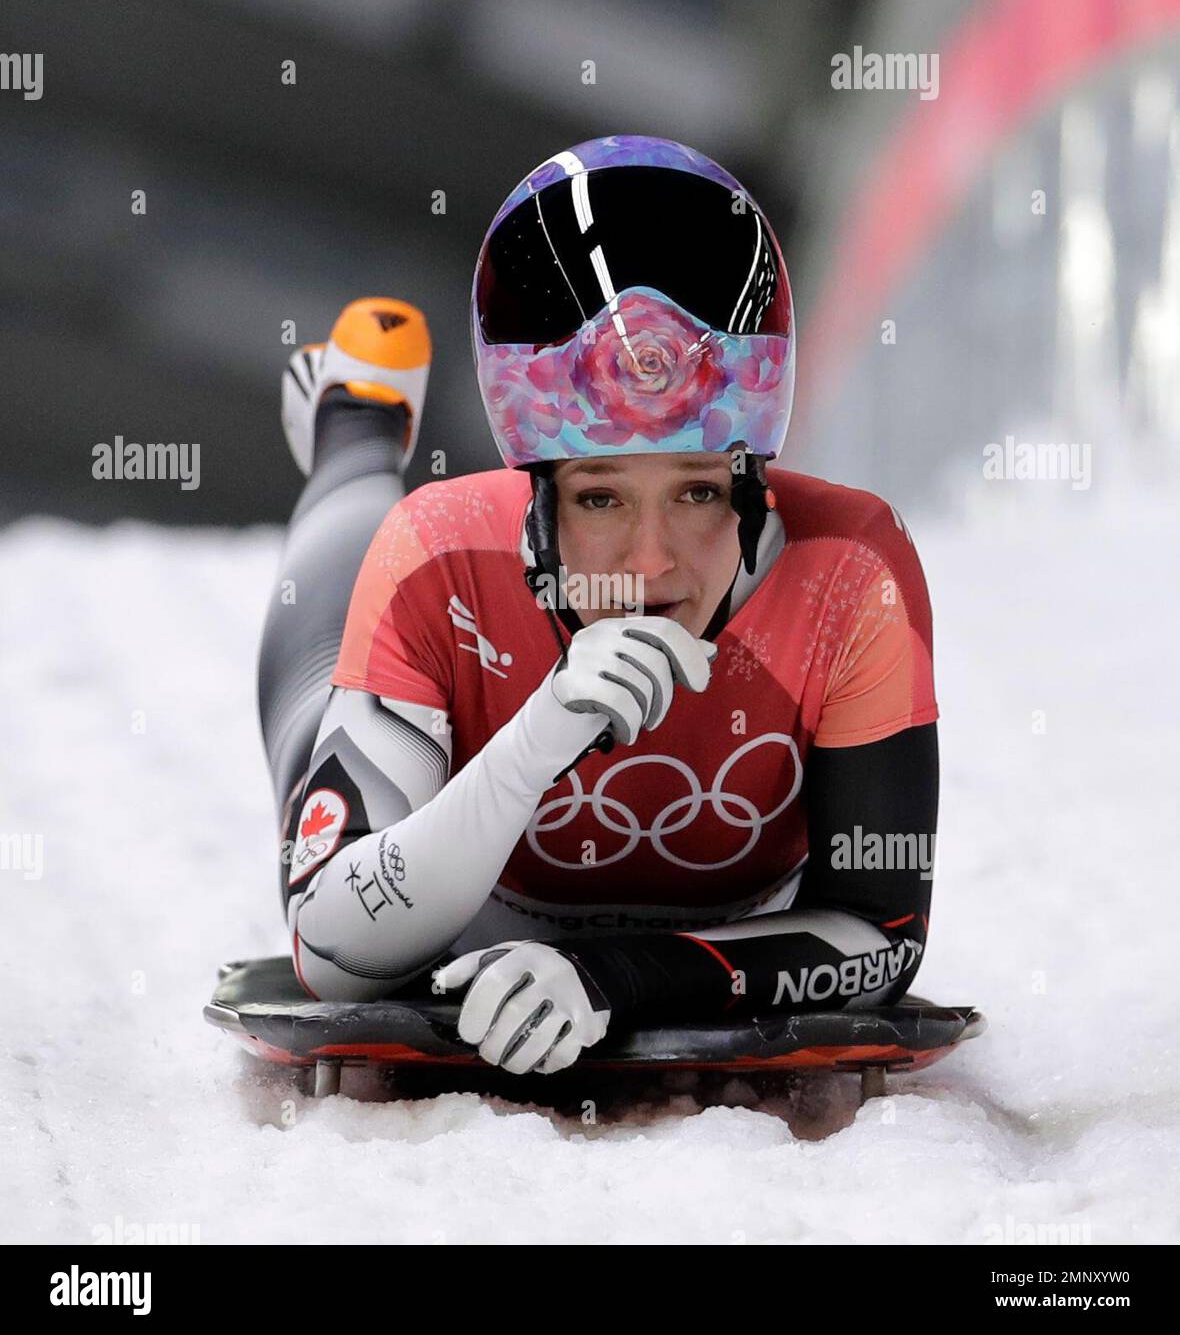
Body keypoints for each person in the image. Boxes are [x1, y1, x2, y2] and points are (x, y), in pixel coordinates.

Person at [257, 135, 939, 1078]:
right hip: (460, 846)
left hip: (589, 926)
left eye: (699, 493)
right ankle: (357, 422)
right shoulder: (441, 553)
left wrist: (612, 976)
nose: (654, 563)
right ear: (535, 493)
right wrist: (538, 735)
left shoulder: (853, 570)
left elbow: (885, 932)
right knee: (324, 659)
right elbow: (332, 955)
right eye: (600, 498)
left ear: (751, 480)